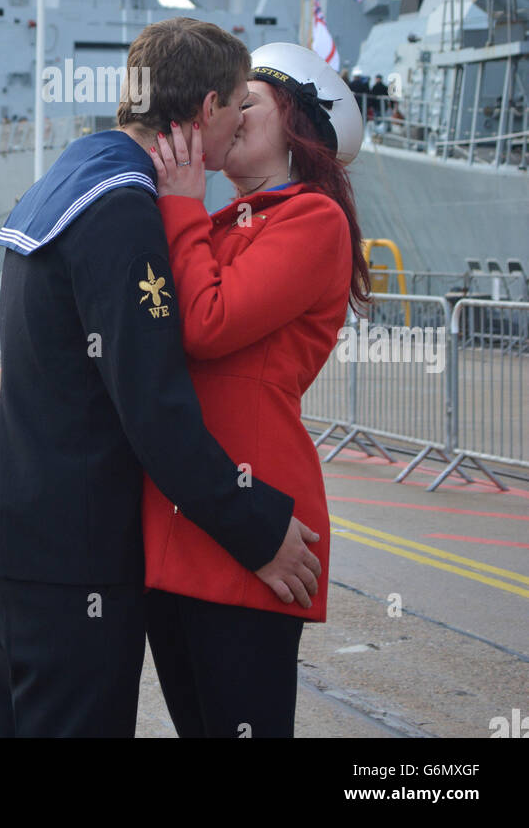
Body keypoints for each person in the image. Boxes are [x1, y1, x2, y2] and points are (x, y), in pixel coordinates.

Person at [0, 18, 322, 739]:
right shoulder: (124, 211)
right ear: (203, 113)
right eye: (236, 107)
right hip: (74, 556)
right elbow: (154, 408)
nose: (236, 129)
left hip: (19, 535)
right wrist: (257, 531)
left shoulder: (76, 173)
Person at [142, 42, 370, 737]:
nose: (232, 111)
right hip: (178, 521)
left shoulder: (313, 220)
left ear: (297, 127)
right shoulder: (220, 224)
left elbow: (207, 326)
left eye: (251, 101)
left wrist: (179, 204)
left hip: (254, 528)